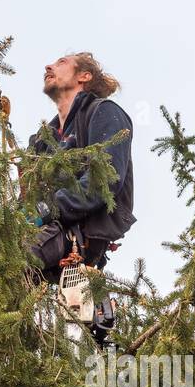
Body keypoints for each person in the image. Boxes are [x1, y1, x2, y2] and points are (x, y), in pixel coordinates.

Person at [26, 52, 135, 281]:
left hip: (80, 233)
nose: (48, 65)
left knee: (11, 261)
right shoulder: (45, 140)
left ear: (84, 76)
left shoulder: (104, 112)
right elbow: (30, 195)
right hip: (48, 232)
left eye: (61, 62)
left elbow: (103, 180)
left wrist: (46, 210)